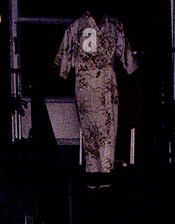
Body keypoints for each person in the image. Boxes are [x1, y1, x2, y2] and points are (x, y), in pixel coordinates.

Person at [54, 7, 138, 175]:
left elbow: (129, 63)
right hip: (85, 88)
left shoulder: (114, 26)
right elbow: (62, 65)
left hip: (106, 86)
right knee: (90, 135)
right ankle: (92, 177)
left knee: (107, 133)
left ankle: (105, 177)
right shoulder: (76, 26)